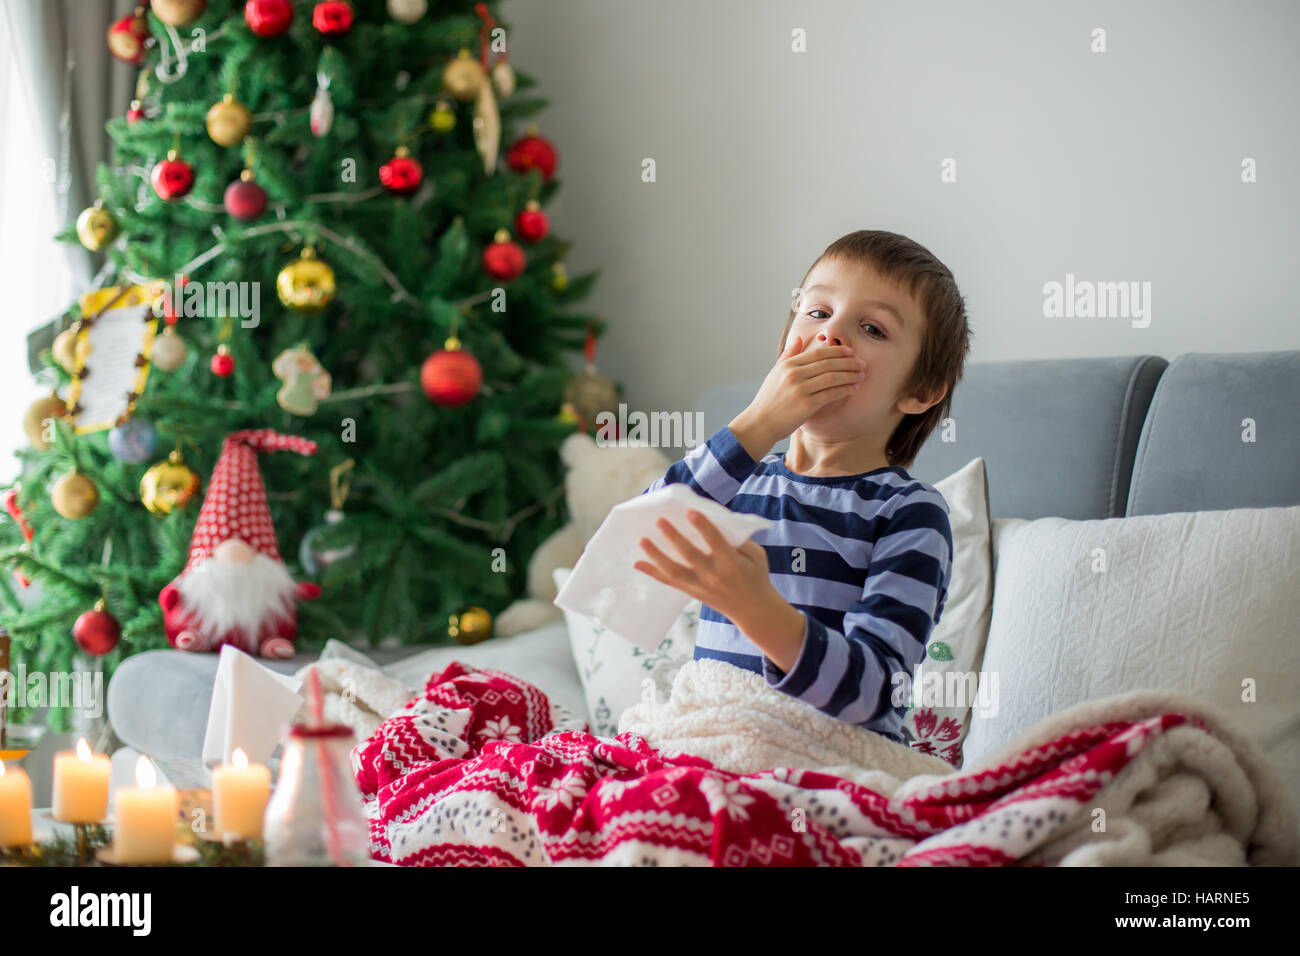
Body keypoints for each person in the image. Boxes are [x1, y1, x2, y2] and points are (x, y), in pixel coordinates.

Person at [635, 230, 971, 742]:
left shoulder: (910, 513)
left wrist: (759, 611)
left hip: (821, 764)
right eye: (817, 312)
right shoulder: (736, 474)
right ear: (784, 345)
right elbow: (638, 538)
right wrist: (756, 424)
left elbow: (875, 692)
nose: (831, 334)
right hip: (706, 744)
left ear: (921, 391)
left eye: (872, 329)